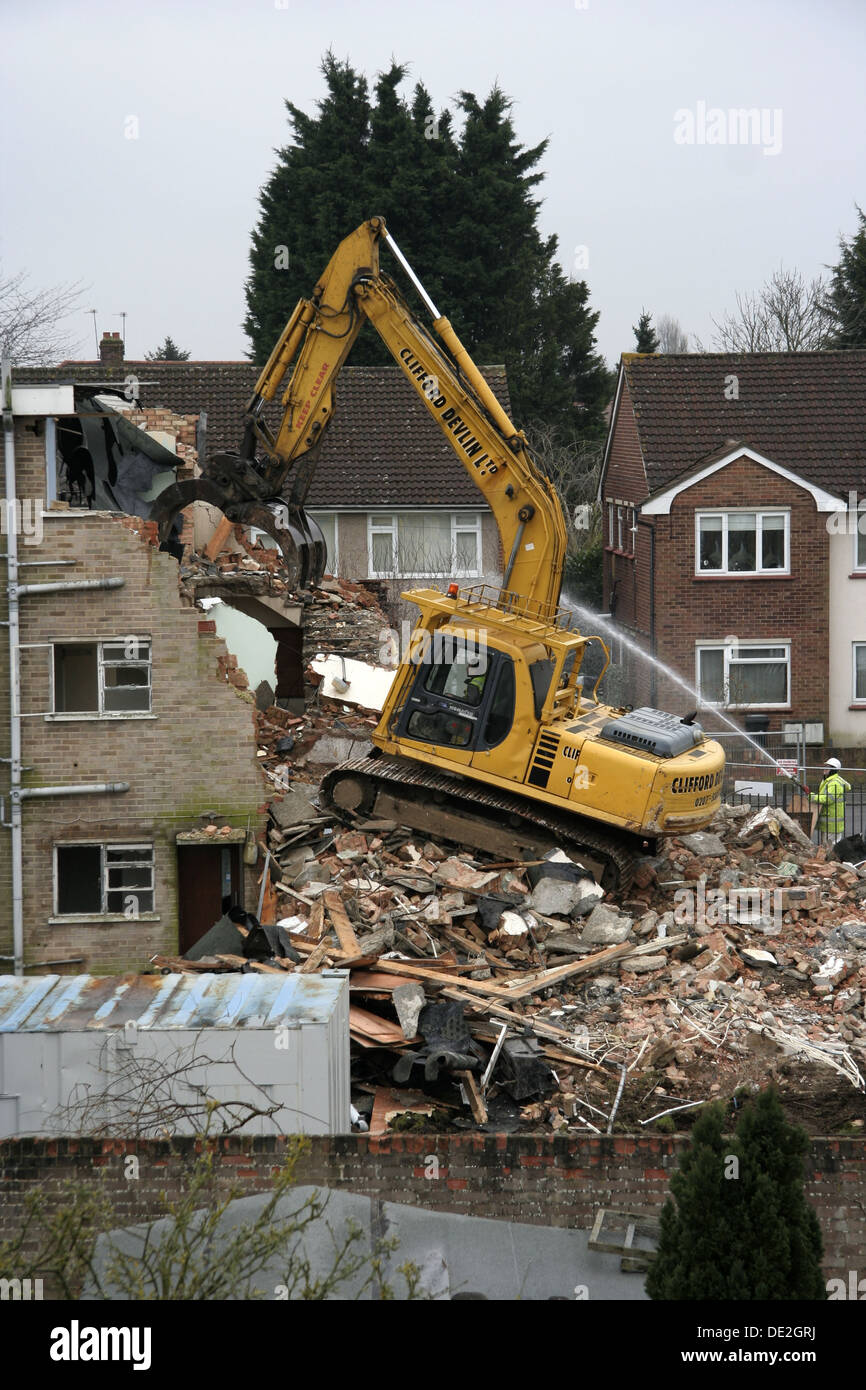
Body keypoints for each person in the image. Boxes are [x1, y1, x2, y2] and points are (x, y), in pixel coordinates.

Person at [810, 756, 850, 844]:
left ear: (833, 770)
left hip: (832, 824)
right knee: (825, 847)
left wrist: (812, 797)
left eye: (827, 767)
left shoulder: (834, 782)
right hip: (828, 822)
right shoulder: (828, 780)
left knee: (831, 848)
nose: (824, 769)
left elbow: (828, 799)